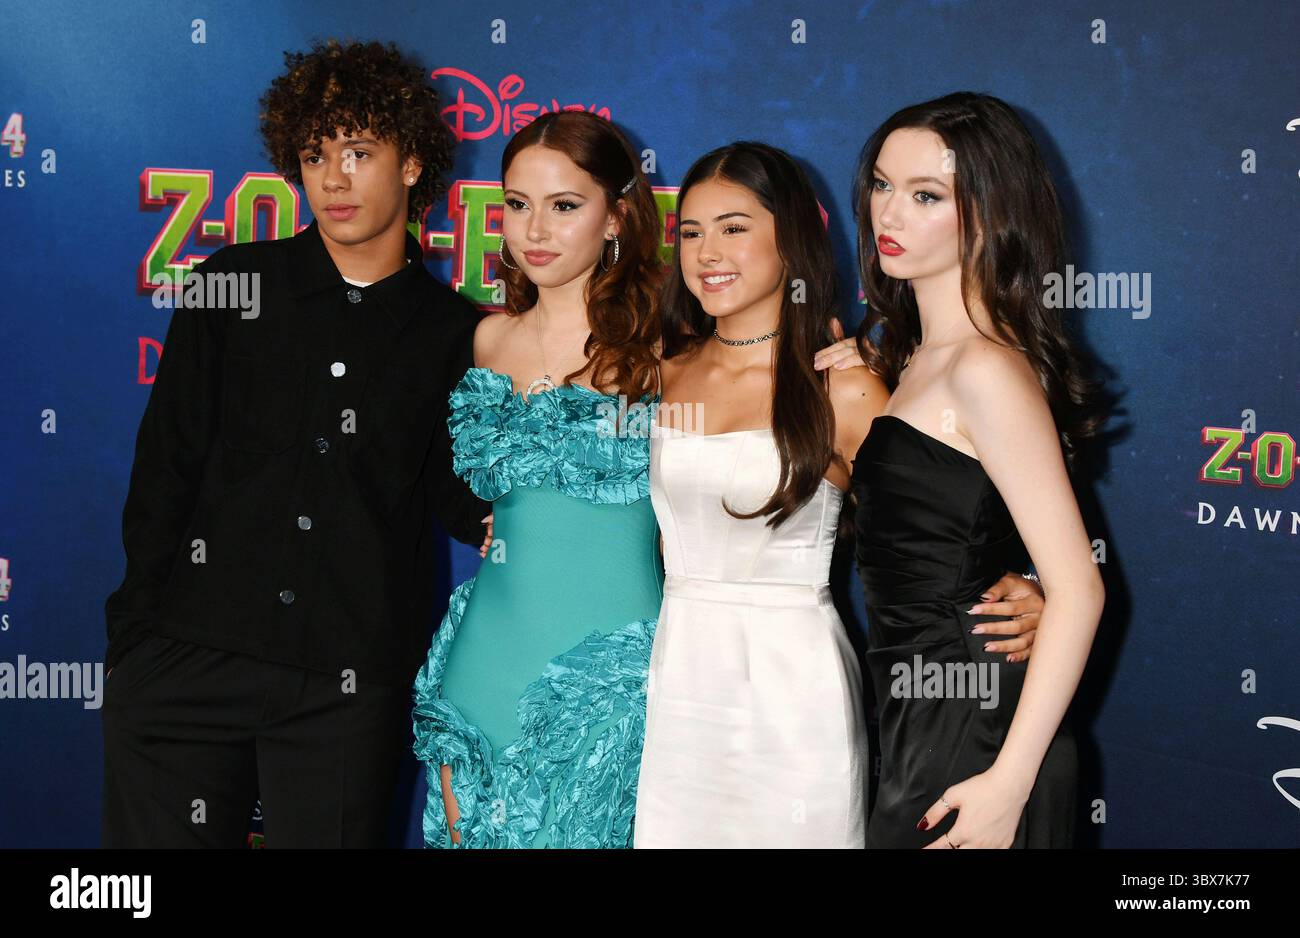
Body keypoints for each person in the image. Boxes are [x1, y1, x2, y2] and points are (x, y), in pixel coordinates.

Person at [101, 39, 489, 848]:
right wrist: (137, 645)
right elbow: (165, 470)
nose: (333, 178)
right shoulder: (230, 284)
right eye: (315, 154)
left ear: (413, 163)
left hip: (348, 682)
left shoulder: (457, 334)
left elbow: (459, 503)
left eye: (358, 151)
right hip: (186, 659)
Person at [631, 142, 1046, 848]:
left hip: (794, 695)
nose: (707, 252)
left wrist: (1033, 587)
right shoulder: (657, 373)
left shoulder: (845, 386)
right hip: (678, 689)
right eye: (691, 232)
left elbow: (948, 520)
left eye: (733, 227)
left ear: (790, 239)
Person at [848, 92, 1106, 848]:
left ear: (990, 216)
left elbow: (1080, 589)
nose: (888, 214)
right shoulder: (916, 358)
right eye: (882, 184)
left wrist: (1009, 783)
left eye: (926, 195)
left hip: (978, 729)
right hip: (914, 713)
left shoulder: (985, 370)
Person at [411, 111, 665, 848]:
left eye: (564, 206)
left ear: (617, 213)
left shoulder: (669, 345)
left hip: (618, 681)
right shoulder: (485, 339)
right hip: (486, 660)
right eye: (518, 205)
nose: (535, 231)